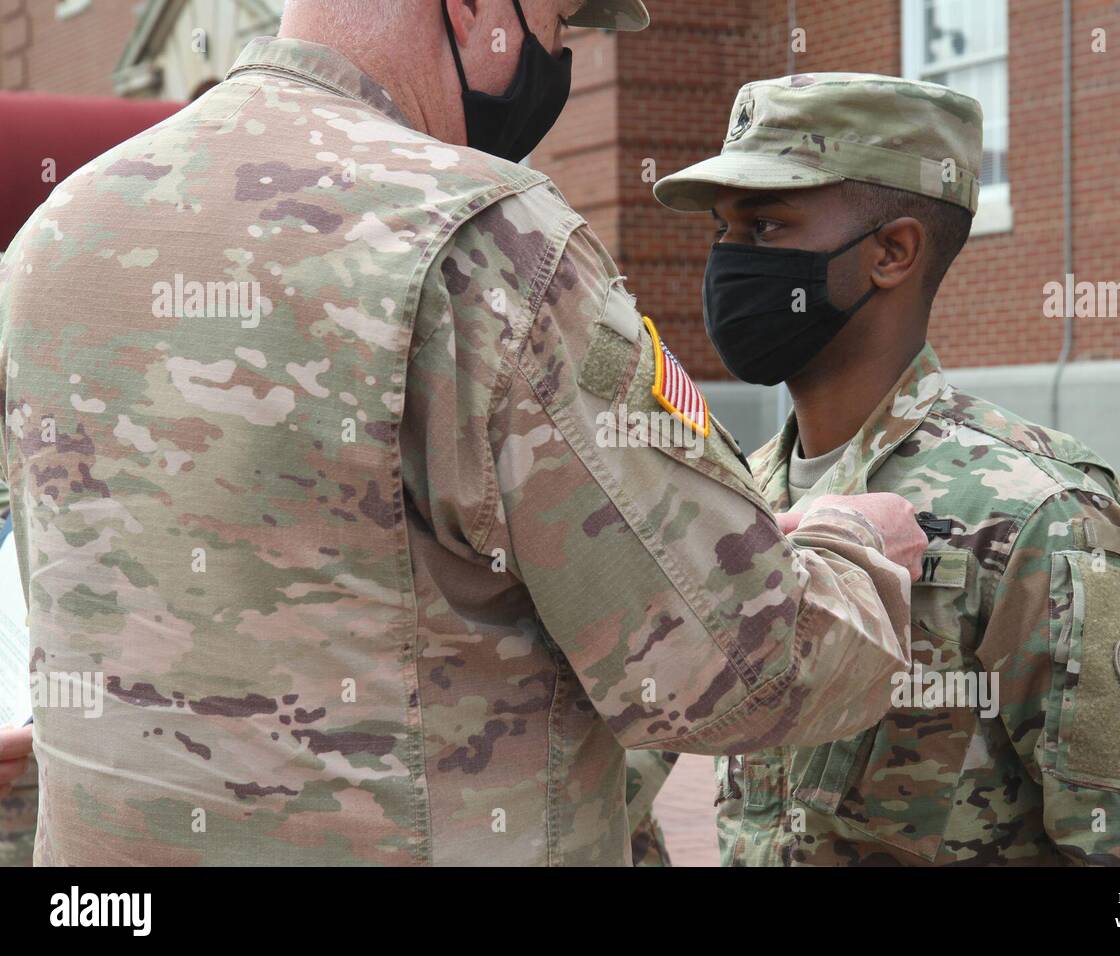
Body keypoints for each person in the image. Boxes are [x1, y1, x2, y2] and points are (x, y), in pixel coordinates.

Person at [0, 4, 927, 866]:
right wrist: (859, 549)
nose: (560, 58)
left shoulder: (56, 232)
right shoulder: (481, 238)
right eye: (558, 20)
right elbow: (736, 668)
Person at [631, 72, 1120, 866]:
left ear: (892, 253)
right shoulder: (736, 496)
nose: (729, 262)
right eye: (725, 232)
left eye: (767, 226)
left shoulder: (1039, 516)